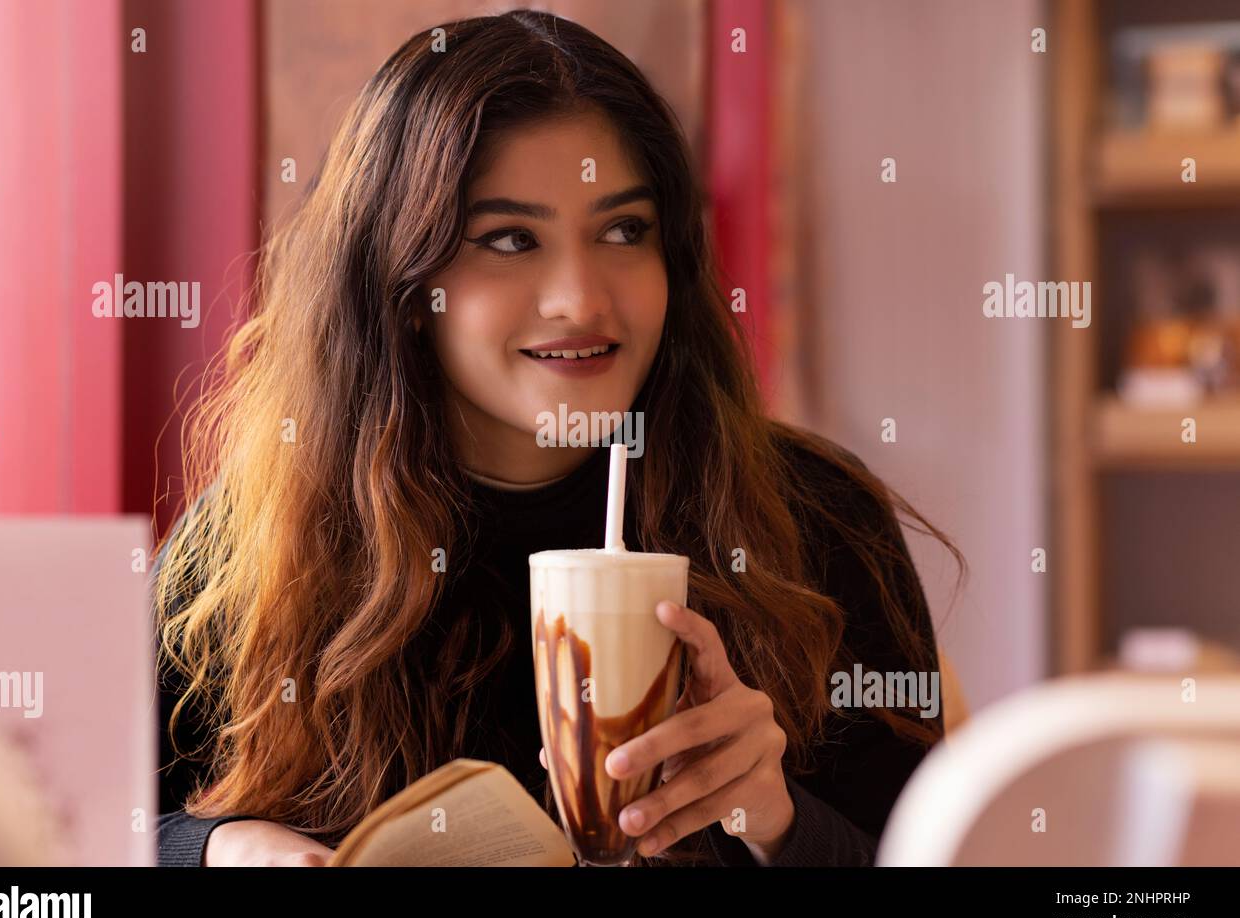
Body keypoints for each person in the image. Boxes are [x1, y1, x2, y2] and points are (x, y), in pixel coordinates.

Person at [153, 9, 965, 868]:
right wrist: (223, 849)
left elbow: (924, 854)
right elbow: (92, 835)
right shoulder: (252, 545)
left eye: (624, 231)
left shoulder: (817, 521)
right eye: (509, 239)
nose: (580, 298)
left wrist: (777, 820)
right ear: (398, 280)